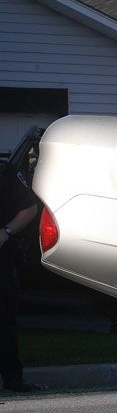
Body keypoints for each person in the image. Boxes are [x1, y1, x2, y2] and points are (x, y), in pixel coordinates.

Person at [0, 166, 40, 392]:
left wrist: (5, 232)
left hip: (2, 258)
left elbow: (29, 208)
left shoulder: (6, 173)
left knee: (3, 322)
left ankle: (12, 378)